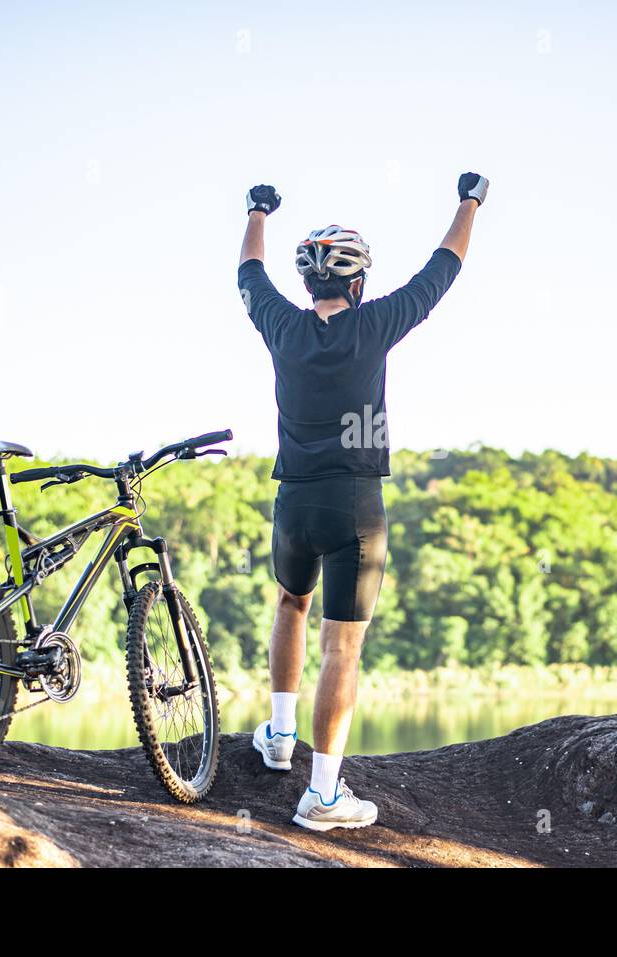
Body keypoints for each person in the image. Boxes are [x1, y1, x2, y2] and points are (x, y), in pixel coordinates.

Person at [236, 172, 488, 830]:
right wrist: (470, 200)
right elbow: (445, 266)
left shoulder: (281, 326)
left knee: (291, 603)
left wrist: (259, 209)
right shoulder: (375, 323)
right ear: (356, 284)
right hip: (355, 508)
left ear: (308, 284)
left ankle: (278, 737)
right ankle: (321, 796)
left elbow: (248, 271)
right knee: (341, 650)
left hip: (292, 499)